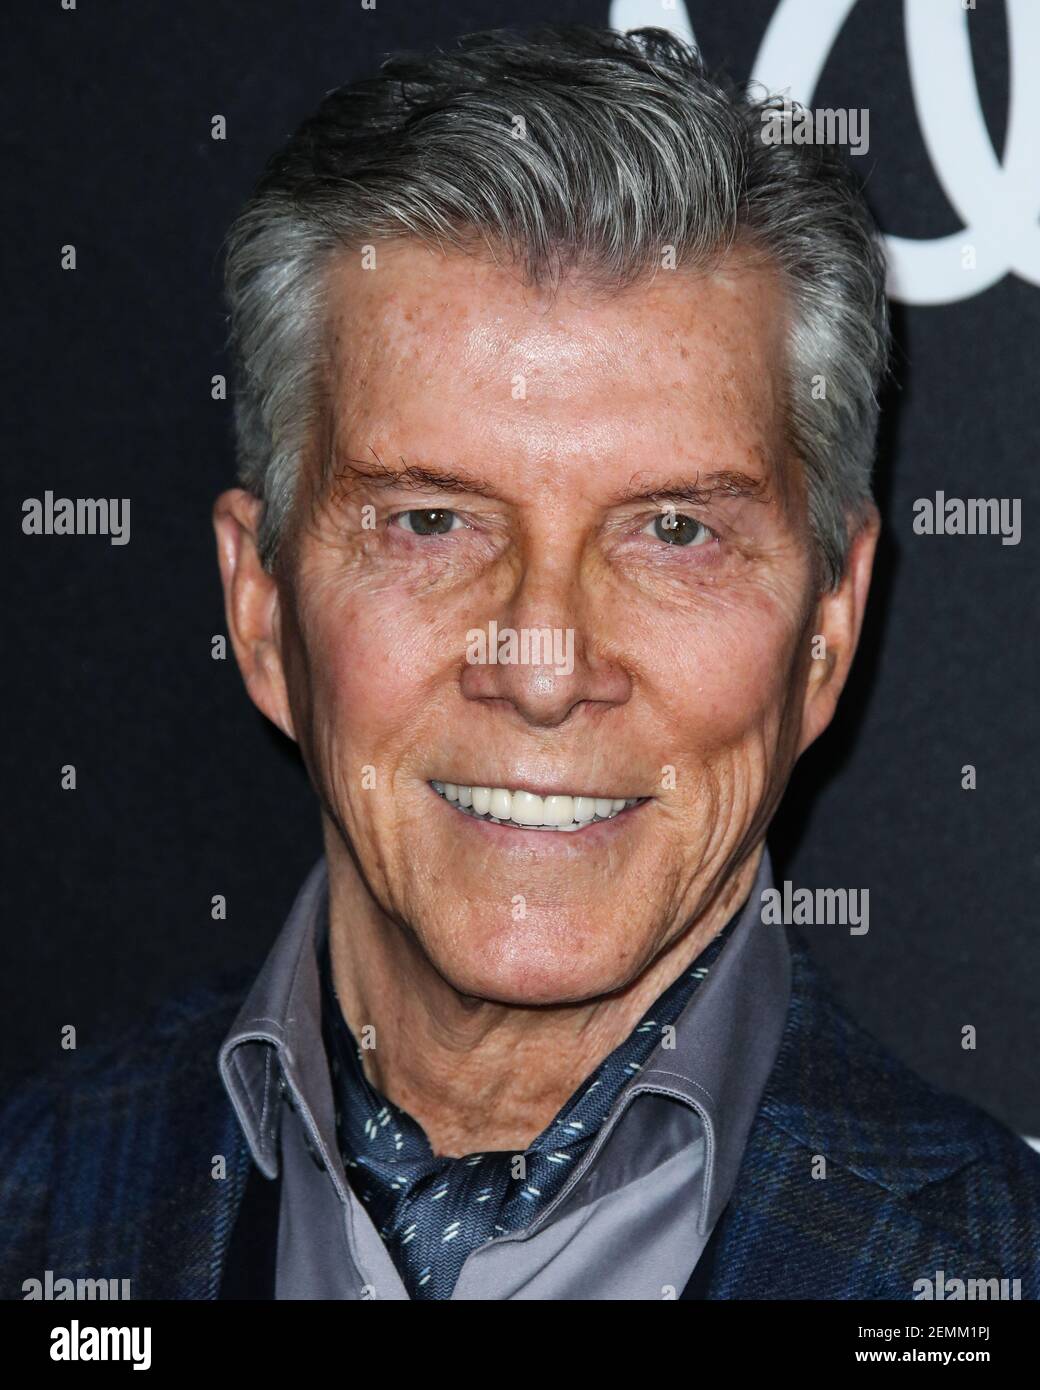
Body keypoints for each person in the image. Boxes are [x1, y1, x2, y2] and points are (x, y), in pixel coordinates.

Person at [4, 24, 1037, 1301]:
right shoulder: (35, 1211)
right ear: (259, 606)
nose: (543, 668)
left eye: (673, 532)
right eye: (429, 522)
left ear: (827, 627)